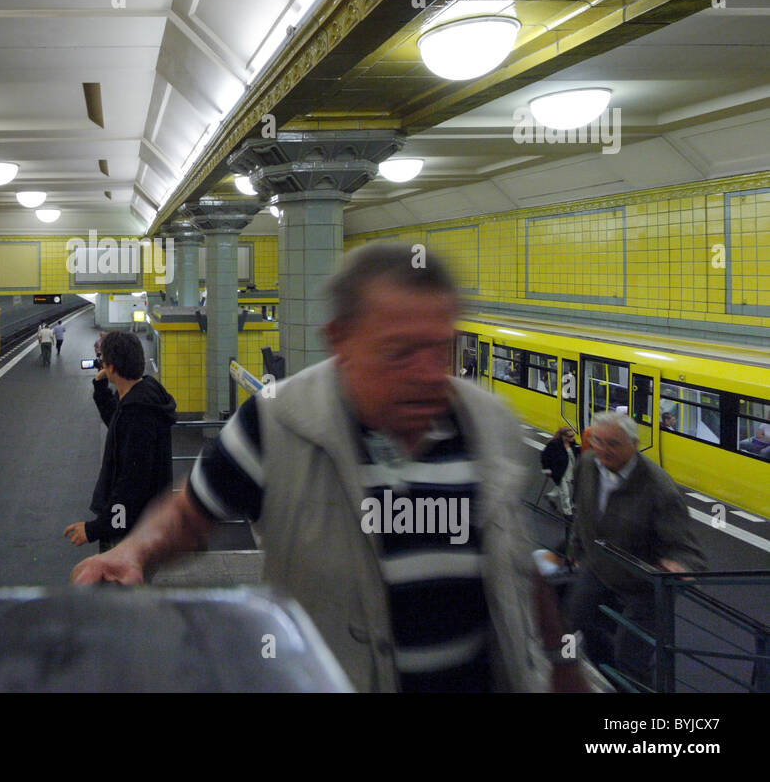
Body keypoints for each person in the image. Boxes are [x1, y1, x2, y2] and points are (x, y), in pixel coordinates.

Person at [70, 242, 588, 692]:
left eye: (442, 348)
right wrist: (135, 549)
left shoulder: (487, 425)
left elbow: (519, 570)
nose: (431, 374)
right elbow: (191, 510)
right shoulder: (277, 426)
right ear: (340, 339)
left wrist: (566, 669)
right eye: (400, 352)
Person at [564, 410, 705, 685]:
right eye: (598, 441)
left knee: (631, 658)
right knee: (576, 620)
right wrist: (576, 550)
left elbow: (688, 549)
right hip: (598, 567)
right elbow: (583, 510)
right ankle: (607, 678)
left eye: (613, 444)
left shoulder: (658, 488)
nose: (603, 450)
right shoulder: (588, 463)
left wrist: (680, 565)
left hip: (643, 585)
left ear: (634, 445)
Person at [63, 331, 176, 553]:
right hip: (140, 520)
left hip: (132, 529)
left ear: (111, 367)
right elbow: (117, 425)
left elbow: (132, 484)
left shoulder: (139, 413)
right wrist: (100, 390)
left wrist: (97, 529)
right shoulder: (142, 393)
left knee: (120, 586)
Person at [540, 427, 580, 520]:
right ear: (563, 436)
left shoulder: (572, 443)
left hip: (570, 469)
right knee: (565, 492)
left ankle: (551, 497)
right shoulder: (554, 444)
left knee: (563, 488)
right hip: (558, 470)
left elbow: (576, 451)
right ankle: (567, 512)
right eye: (570, 436)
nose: (572, 438)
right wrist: (546, 469)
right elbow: (544, 456)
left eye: (573, 436)